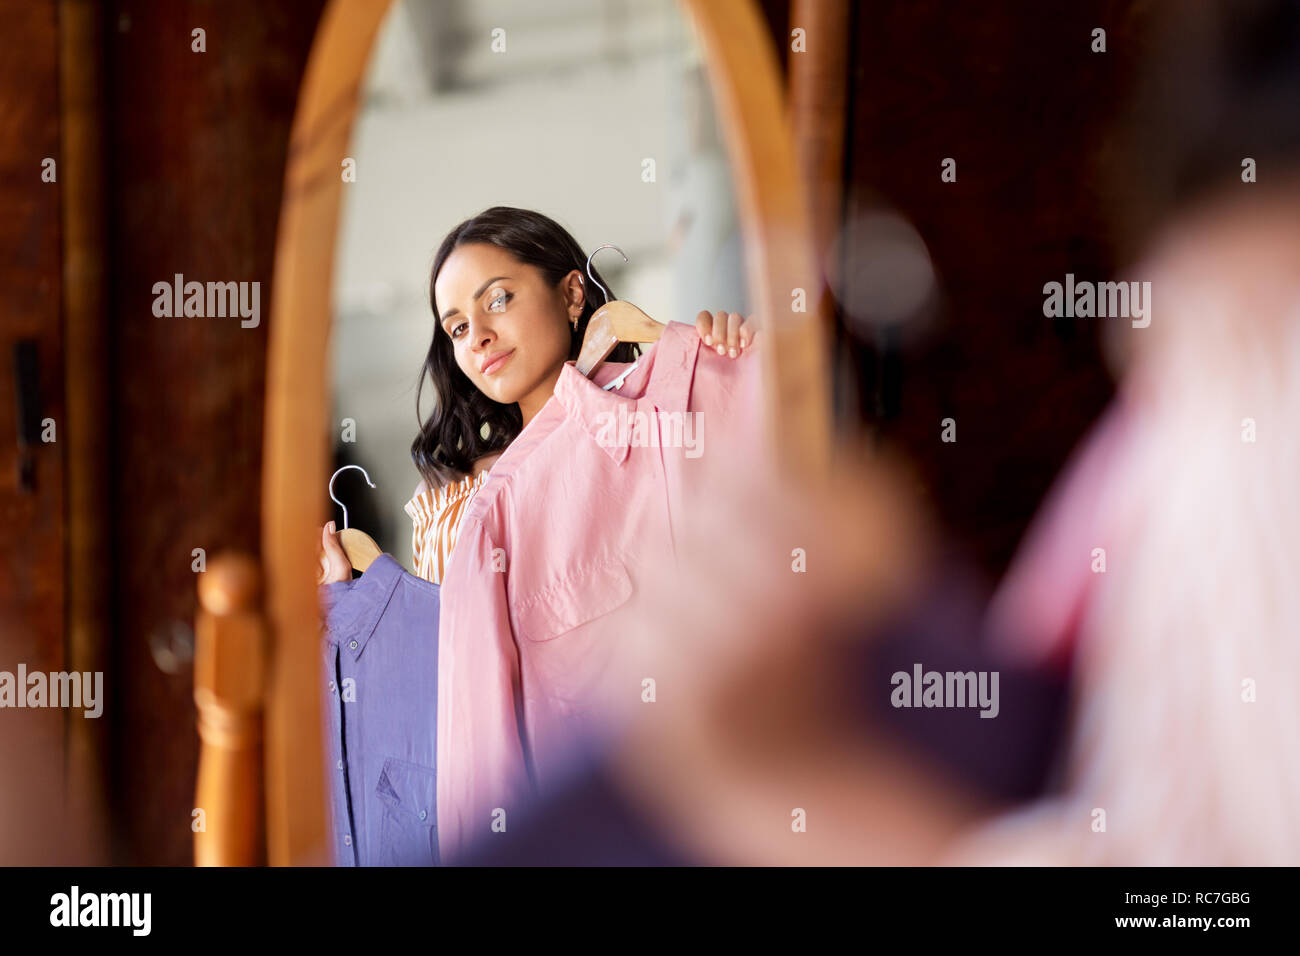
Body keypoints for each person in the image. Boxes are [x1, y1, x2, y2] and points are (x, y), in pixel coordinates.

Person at [319, 205, 755, 586]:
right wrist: (350, 598)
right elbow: (444, 660)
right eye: (459, 328)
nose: (479, 338)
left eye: (498, 299)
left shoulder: (662, 417)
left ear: (571, 294)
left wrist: (741, 367)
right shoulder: (453, 506)